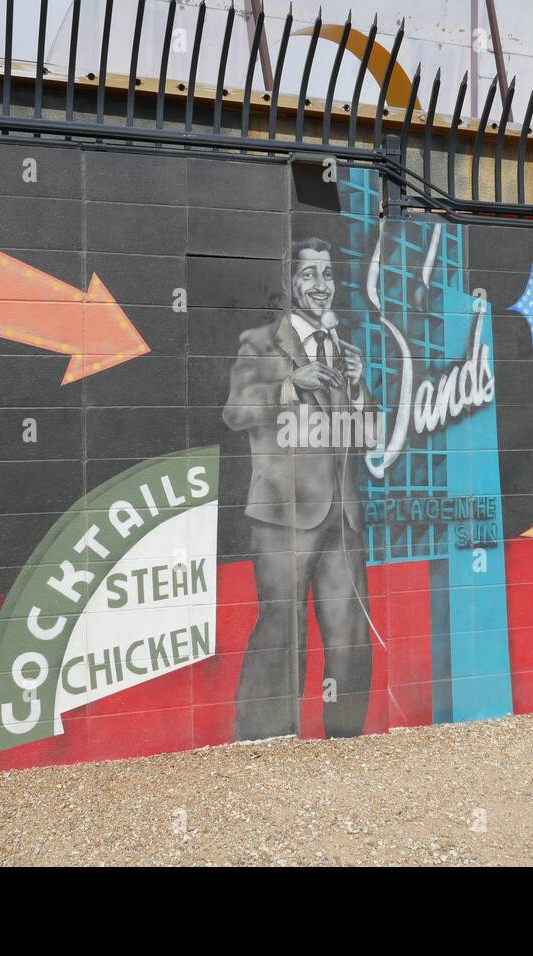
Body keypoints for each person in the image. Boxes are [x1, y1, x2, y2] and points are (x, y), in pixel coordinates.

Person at [223, 237, 376, 739]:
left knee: (349, 633)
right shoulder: (262, 342)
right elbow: (236, 411)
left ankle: (346, 734)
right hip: (283, 515)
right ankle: (265, 738)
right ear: (290, 284)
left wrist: (356, 389)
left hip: (342, 515)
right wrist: (291, 384)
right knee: (281, 628)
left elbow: (368, 431)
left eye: (327, 275)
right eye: (309, 275)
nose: (320, 286)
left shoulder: (345, 349)